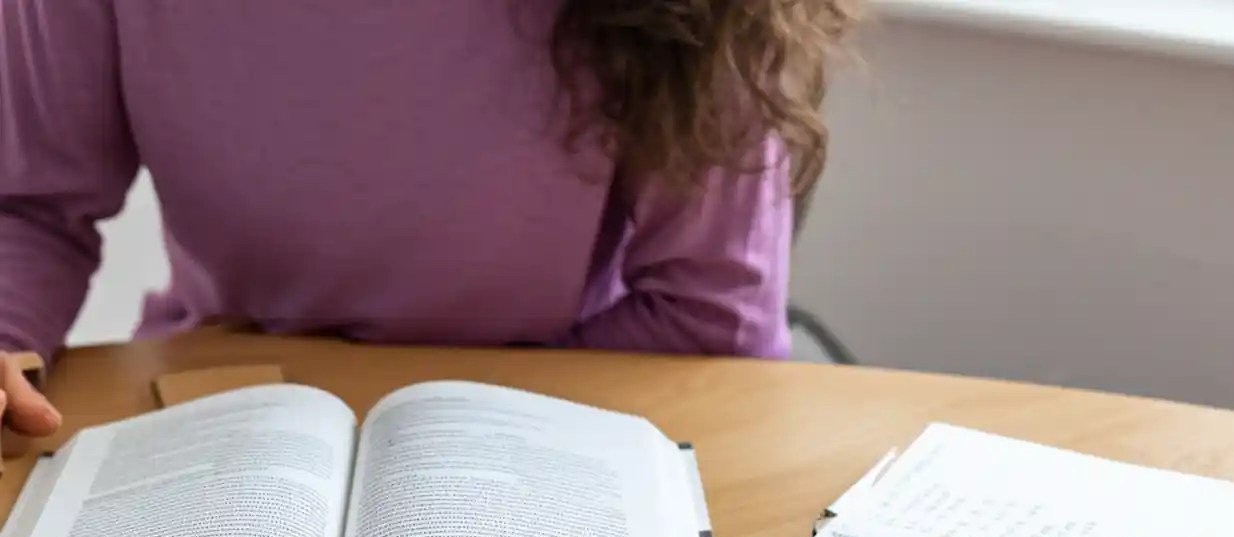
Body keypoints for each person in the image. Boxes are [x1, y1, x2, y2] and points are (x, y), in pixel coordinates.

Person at [0, 1, 857, 442]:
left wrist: (412, 417)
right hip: (223, 403)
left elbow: (710, 321)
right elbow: (31, 205)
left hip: (570, 421)